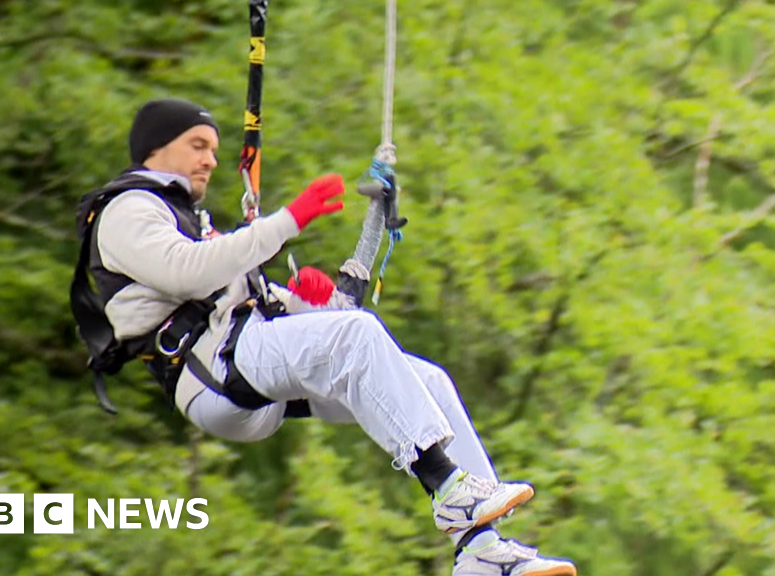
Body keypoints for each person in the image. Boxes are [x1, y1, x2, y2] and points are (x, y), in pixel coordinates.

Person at [75, 98, 577, 576]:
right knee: (355, 336)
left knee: (428, 383)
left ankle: (482, 551)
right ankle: (448, 486)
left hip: (243, 359)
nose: (210, 160)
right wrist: (288, 221)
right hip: (214, 372)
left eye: (213, 148)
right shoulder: (129, 209)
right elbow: (188, 273)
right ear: (156, 148)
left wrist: (305, 300)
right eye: (198, 145)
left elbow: (235, 290)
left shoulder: (182, 215)